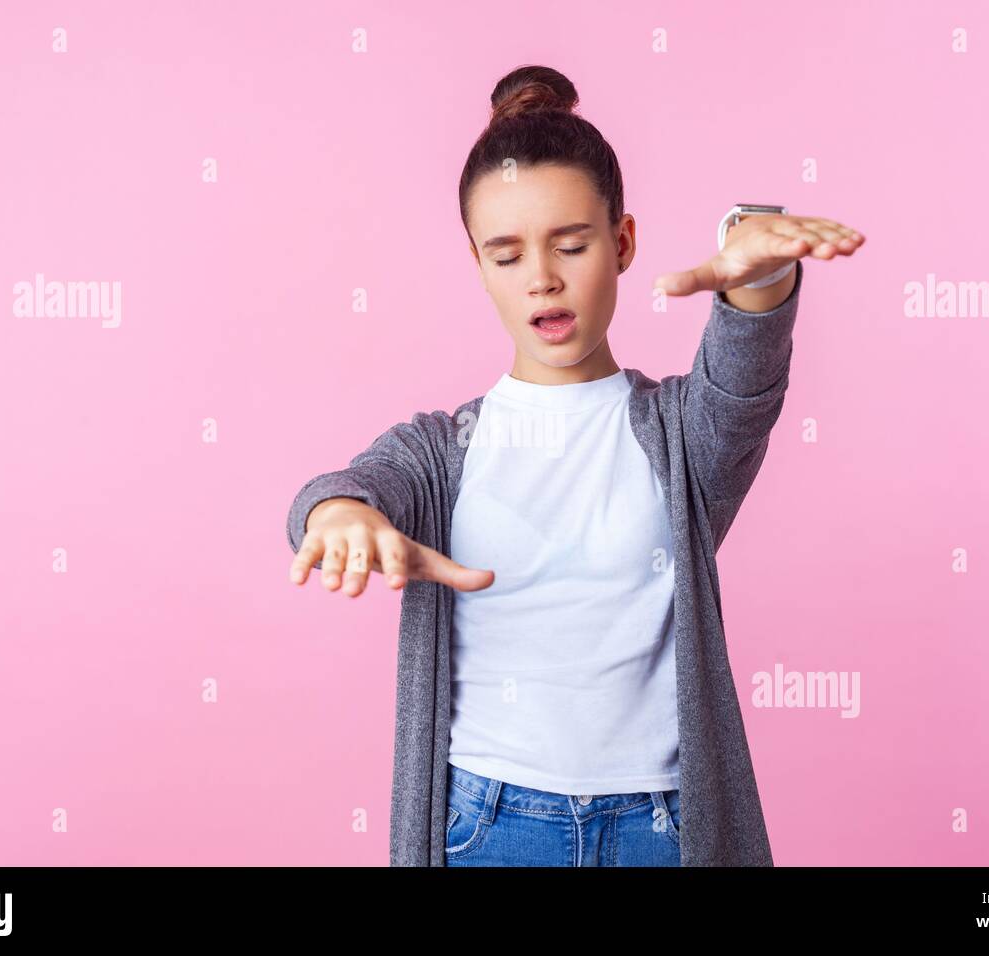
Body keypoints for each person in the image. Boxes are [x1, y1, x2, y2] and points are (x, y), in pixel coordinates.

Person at [287, 64, 865, 866]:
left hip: (662, 828)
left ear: (622, 243)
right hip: (487, 825)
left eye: (572, 243)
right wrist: (341, 516)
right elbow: (349, 488)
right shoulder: (438, 451)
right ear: (479, 266)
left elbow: (743, 386)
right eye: (507, 254)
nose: (544, 278)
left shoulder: (676, 435)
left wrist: (759, 281)